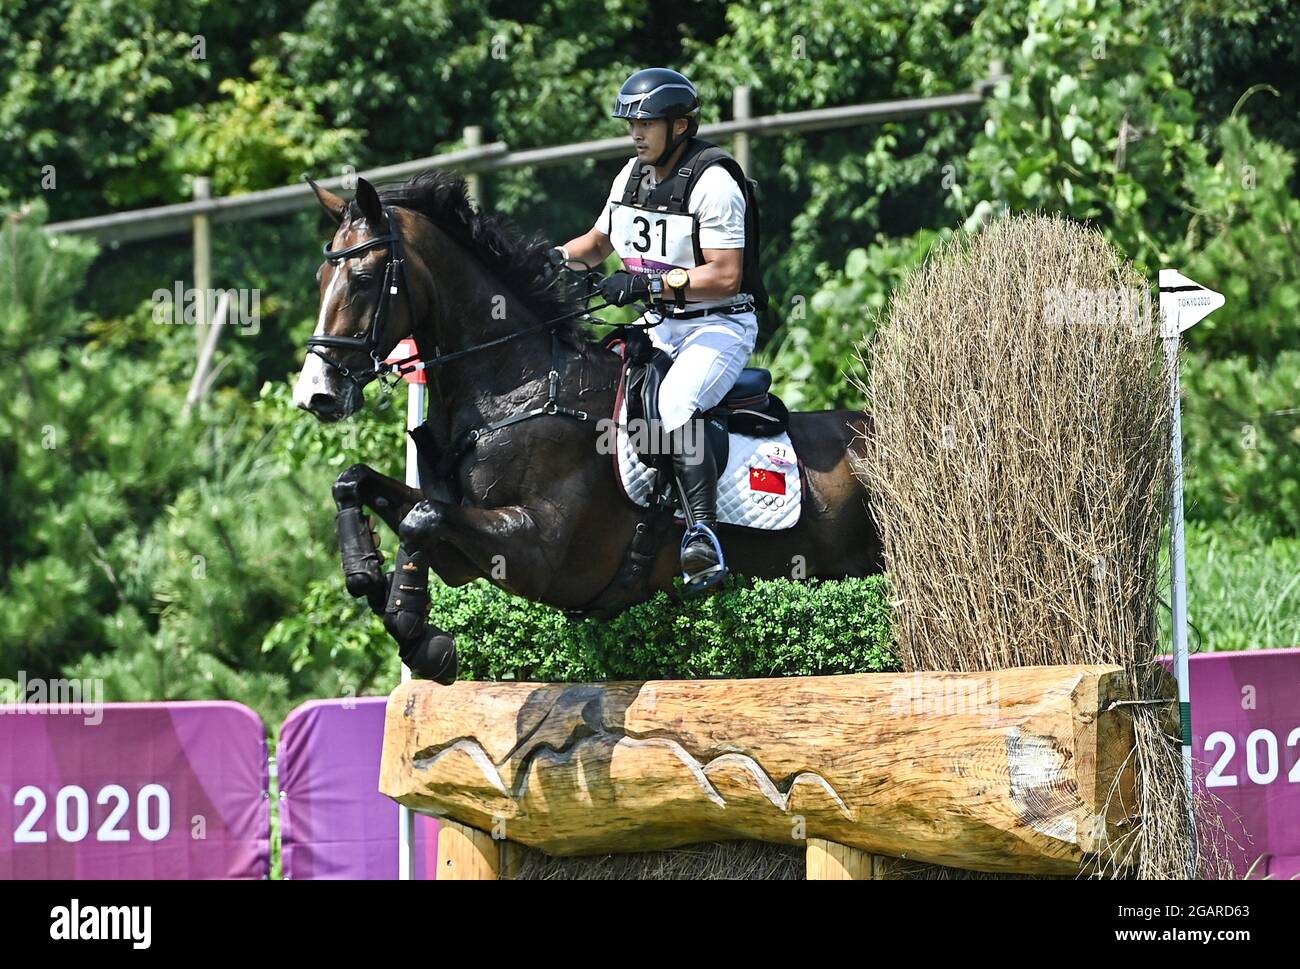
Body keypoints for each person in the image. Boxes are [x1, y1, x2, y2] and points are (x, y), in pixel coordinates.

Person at [553, 67, 768, 593]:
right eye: (632, 122)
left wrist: (650, 287)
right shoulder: (630, 175)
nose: (636, 133)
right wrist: (541, 263)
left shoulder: (714, 181)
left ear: (679, 127)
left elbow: (724, 275)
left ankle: (704, 539)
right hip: (660, 326)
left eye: (646, 123)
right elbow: (597, 245)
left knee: (674, 405)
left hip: (717, 327)